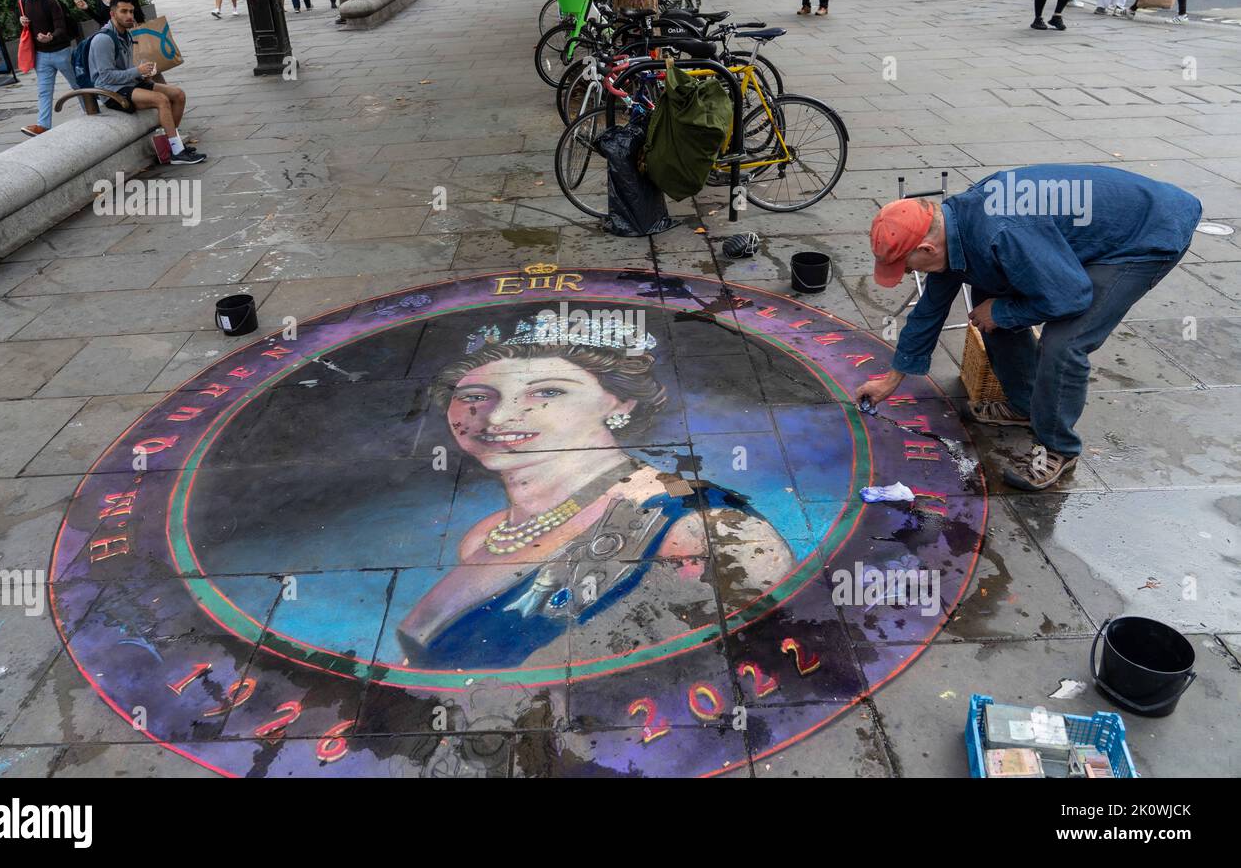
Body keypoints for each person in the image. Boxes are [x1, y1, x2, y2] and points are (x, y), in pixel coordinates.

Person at [399, 324, 794, 668]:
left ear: (620, 401)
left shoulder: (698, 523)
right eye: (475, 396)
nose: (497, 417)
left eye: (547, 392)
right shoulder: (483, 536)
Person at [856, 166, 1201, 491]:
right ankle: (1024, 406)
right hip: (1091, 228)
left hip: (1147, 234)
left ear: (927, 248)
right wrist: (891, 381)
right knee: (986, 295)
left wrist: (1004, 312)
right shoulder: (953, 225)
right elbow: (929, 312)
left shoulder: (1001, 233)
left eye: (905, 266)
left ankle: (1059, 447)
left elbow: (1071, 297)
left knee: (1065, 342)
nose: (904, 274)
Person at [90, 0, 205, 166]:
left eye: (131, 11)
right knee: (161, 99)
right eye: (124, 11)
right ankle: (177, 152)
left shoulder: (125, 34)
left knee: (178, 95)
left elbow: (125, 68)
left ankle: (171, 145)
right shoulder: (103, 40)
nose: (129, 15)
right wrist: (137, 71)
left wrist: (142, 75)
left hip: (128, 83)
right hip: (111, 91)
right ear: (112, 14)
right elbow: (106, 77)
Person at [15, 0, 78, 138]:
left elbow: (61, 27)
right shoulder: (23, 2)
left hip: (62, 52)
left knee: (77, 85)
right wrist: (21, 21)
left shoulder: (49, 1)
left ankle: (92, 110)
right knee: (44, 91)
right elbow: (27, 26)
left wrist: (51, 37)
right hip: (41, 55)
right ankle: (43, 125)